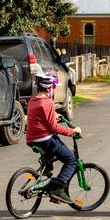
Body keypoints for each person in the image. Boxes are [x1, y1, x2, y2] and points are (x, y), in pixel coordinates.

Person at [25, 72, 81, 201]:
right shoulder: (48, 102)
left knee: (50, 157)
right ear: (49, 88)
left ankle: (46, 173)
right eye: (54, 87)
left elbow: (41, 115)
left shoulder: (33, 100)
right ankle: (57, 189)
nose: (54, 90)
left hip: (32, 139)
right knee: (70, 160)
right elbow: (54, 128)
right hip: (45, 139)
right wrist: (73, 131)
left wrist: (54, 115)